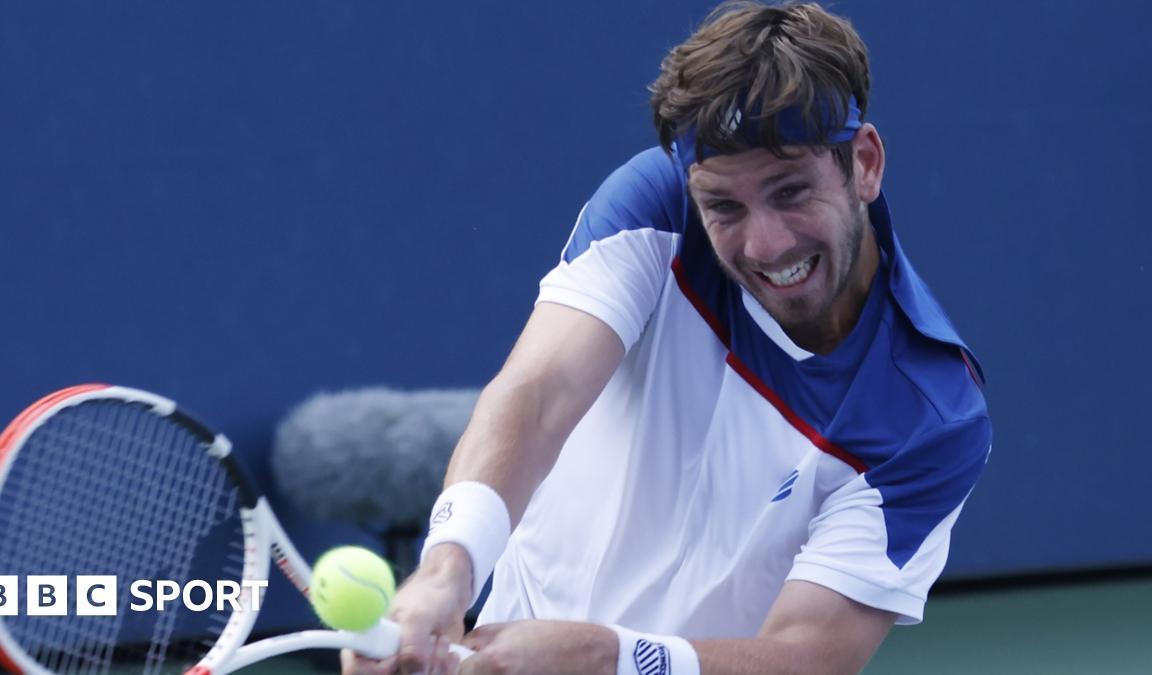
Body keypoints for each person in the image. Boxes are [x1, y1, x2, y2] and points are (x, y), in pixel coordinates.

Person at [345, 2, 991, 673]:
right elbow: (537, 395)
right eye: (724, 206)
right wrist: (448, 568)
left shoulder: (929, 417)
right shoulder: (656, 207)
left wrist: (608, 656)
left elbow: (809, 655)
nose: (766, 244)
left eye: (791, 191)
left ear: (864, 163)